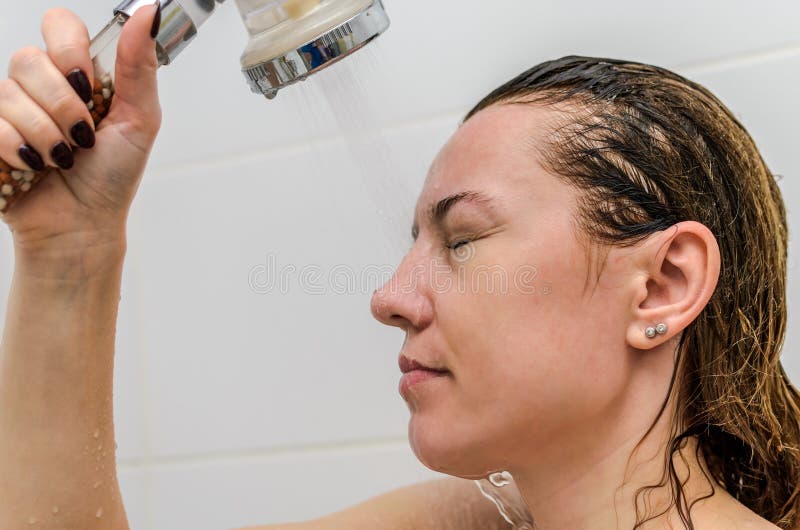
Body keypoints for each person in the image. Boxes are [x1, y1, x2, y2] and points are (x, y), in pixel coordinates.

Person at [0, 5, 798, 530]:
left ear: (663, 284)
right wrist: (72, 252)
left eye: (461, 240)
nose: (388, 298)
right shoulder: (462, 523)